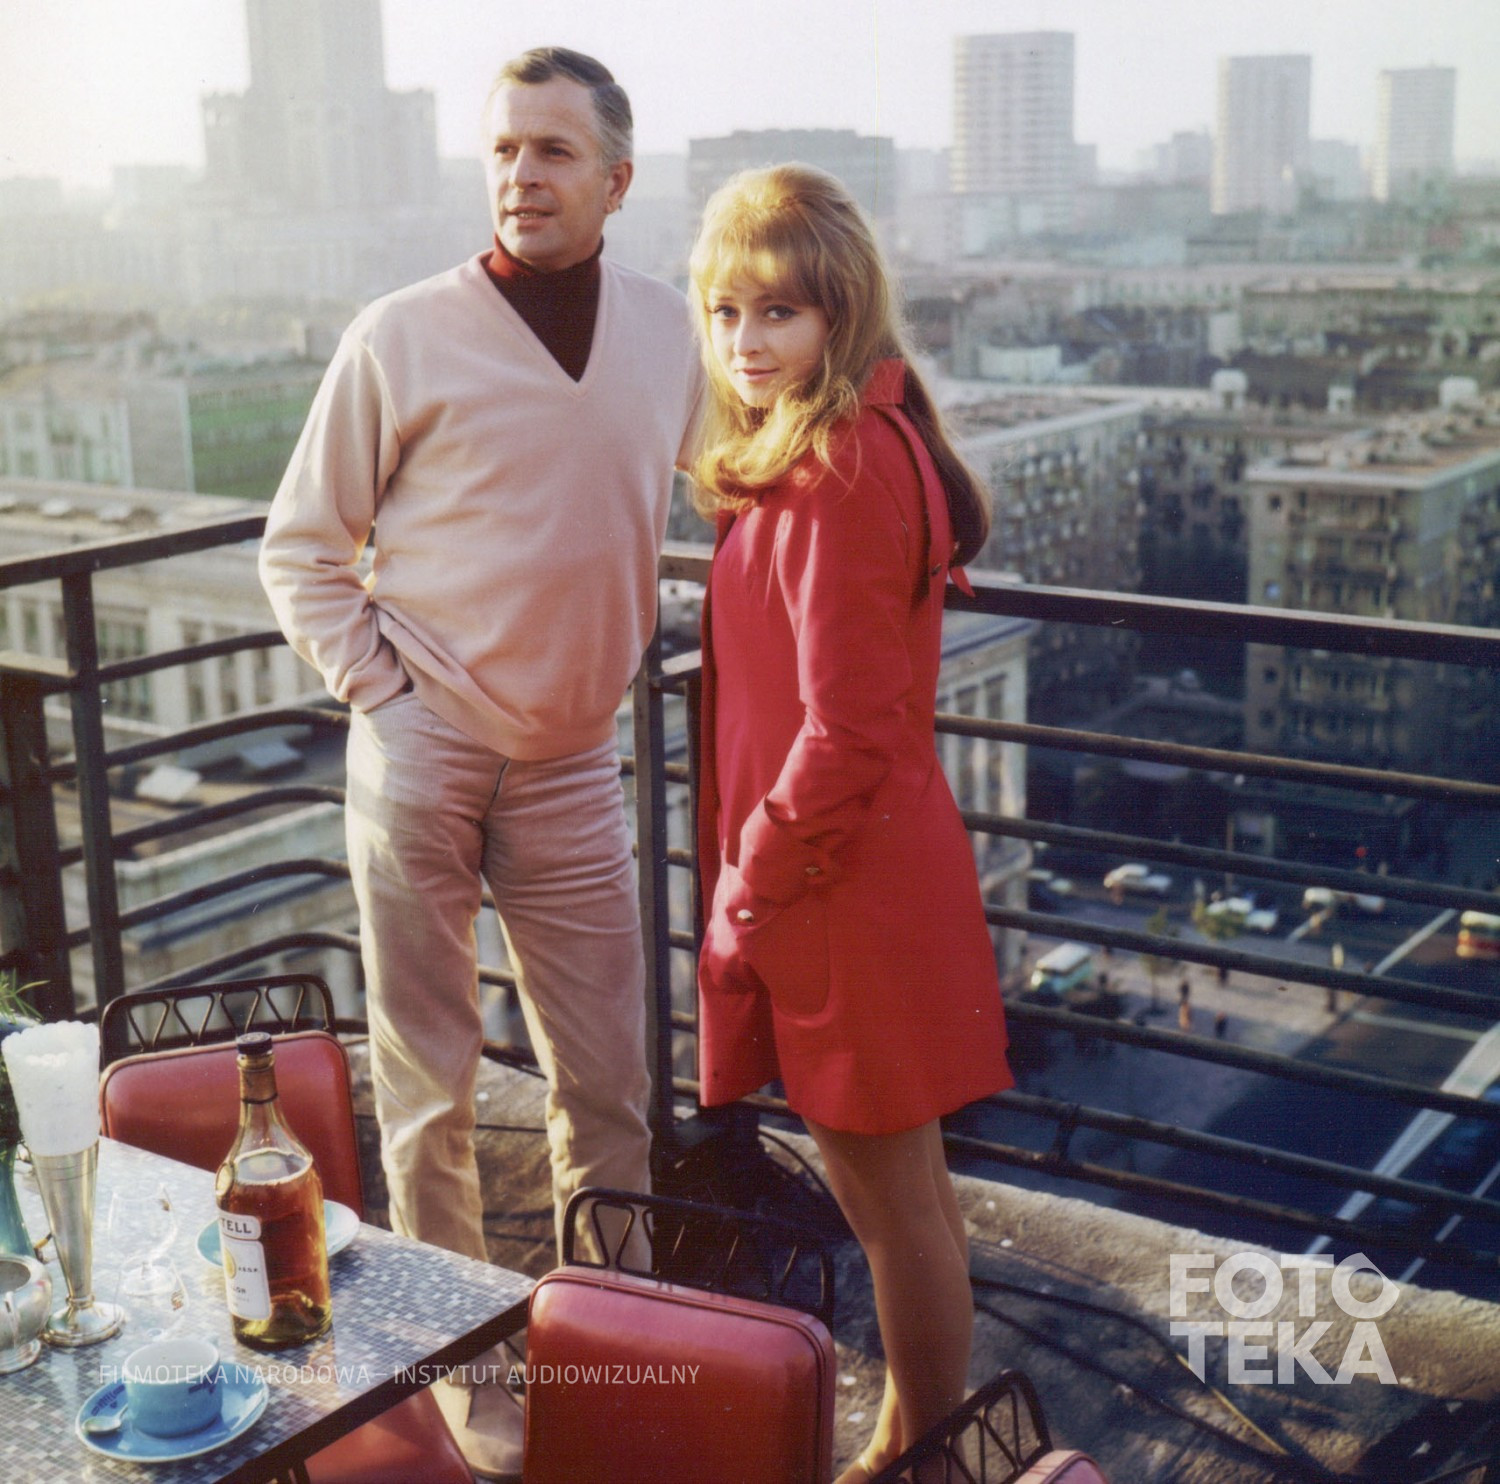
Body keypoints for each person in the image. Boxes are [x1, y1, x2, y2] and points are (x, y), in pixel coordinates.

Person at [258, 46, 702, 1478]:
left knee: (611, 1085)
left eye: (554, 152)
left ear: (617, 180)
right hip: (426, 748)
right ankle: (472, 1363)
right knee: (433, 1083)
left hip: (577, 762)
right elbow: (301, 551)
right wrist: (384, 699)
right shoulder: (399, 334)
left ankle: (614, 1338)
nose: (522, 174)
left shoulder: (668, 331)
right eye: (506, 150)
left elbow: (761, 470)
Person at [689, 164, 1013, 1484]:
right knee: (910, 1191)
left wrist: (746, 889)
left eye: (778, 313)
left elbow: (842, 732)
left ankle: (925, 1447)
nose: (746, 343)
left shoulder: (829, 475)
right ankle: (917, 1425)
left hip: (837, 886)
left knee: (889, 1209)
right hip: (878, 870)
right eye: (724, 312)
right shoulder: (870, 446)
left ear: (842, 314)